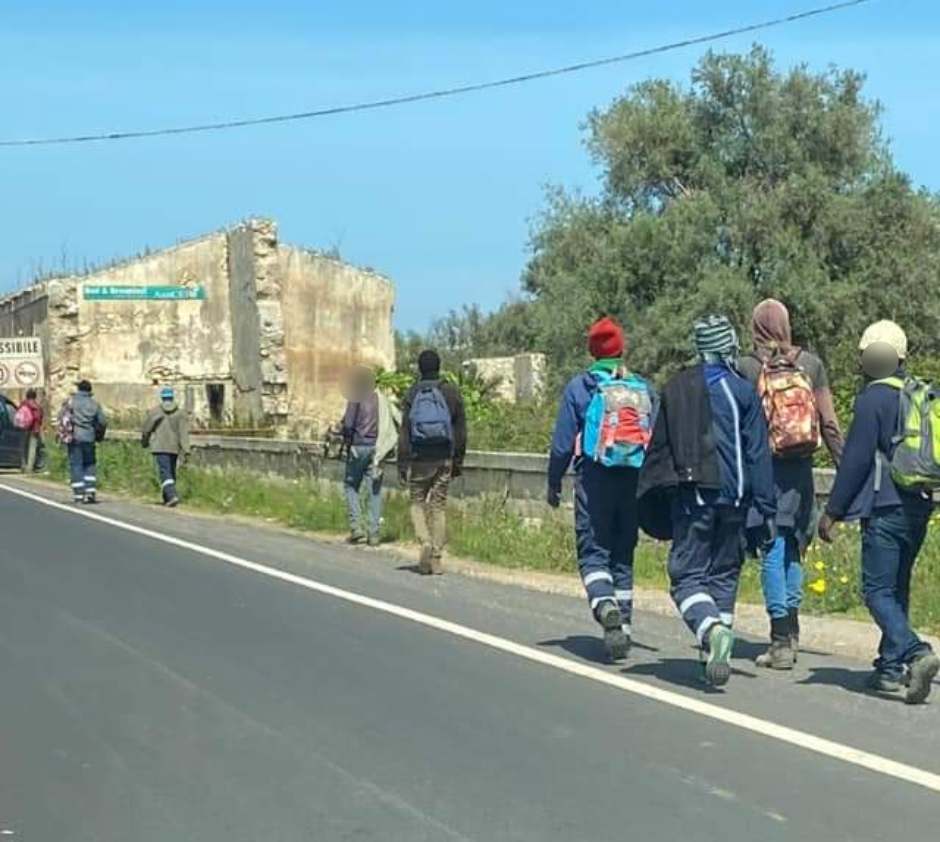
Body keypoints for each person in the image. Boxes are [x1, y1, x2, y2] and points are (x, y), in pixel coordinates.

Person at [639, 315, 776, 687]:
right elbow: (758, 454)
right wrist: (766, 509)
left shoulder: (677, 388)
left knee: (685, 577)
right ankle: (717, 654)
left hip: (694, 497)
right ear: (728, 345)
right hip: (737, 501)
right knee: (724, 575)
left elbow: (659, 450)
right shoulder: (743, 390)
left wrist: (652, 500)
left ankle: (711, 631)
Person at [819, 320, 940, 704]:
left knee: (875, 591)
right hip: (920, 503)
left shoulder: (873, 398)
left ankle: (916, 653)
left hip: (885, 505)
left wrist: (832, 511)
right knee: (896, 588)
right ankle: (889, 668)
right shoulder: (919, 394)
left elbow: (855, 461)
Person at [737, 299, 844, 669]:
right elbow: (829, 423)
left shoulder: (747, 367)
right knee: (795, 547)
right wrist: (848, 471)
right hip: (801, 472)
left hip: (765, 471)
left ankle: (780, 639)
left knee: (772, 547)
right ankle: (793, 632)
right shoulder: (810, 364)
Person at [547, 317, 655, 662]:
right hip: (633, 481)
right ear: (622, 349)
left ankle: (604, 604)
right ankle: (624, 628)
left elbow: (563, 444)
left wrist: (553, 482)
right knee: (623, 554)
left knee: (593, 552)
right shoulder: (641, 387)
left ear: (593, 351)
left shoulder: (581, 387)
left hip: (594, 481)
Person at [398, 350, 466, 575]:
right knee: (438, 506)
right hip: (443, 458)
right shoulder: (450, 392)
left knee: (416, 503)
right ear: (439, 366)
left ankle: (424, 540)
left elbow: (405, 431)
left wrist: (402, 464)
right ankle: (436, 557)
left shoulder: (412, 393)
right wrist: (457, 461)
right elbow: (461, 430)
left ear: (419, 368)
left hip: (419, 458)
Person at [340, 366, 383, 545]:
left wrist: (346, 440)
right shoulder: (380, 399)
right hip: (376, 447)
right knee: (374, 489)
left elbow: (349, 424)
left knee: (350, 485)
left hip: (359, 445)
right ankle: (374, 533)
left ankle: (356, 527)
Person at [141, 386, 191, 507]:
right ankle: (167, 497)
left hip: (159, 447)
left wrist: (144, 442)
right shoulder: (180, 414)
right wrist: (186, 449)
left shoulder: (155, 412)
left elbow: (147, 429)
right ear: (172, 398)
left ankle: (172, 495)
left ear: (162, 398)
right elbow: (183, 433)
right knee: (171, 472)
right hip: (174, 447)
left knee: (165, 472)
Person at [62, 379, 107, 504]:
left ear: (79, 389)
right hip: (89, 438)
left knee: (76, 465)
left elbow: (62, 418)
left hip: (74, 437)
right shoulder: (94, 404)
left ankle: (78, 494)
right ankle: (90, 491)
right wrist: (99, 435)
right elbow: (103, 422)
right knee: (90, 464)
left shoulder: (71, 402)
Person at [17, 388, 45, 471]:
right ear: (35, 396)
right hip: (34, 429)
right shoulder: (37, 406)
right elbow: (40, 418)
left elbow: (18, 415)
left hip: (24, 428)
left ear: (27, 396)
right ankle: (30, 467)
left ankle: (23, 465)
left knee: (23, 447)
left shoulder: (23, 404)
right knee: (32, 448)